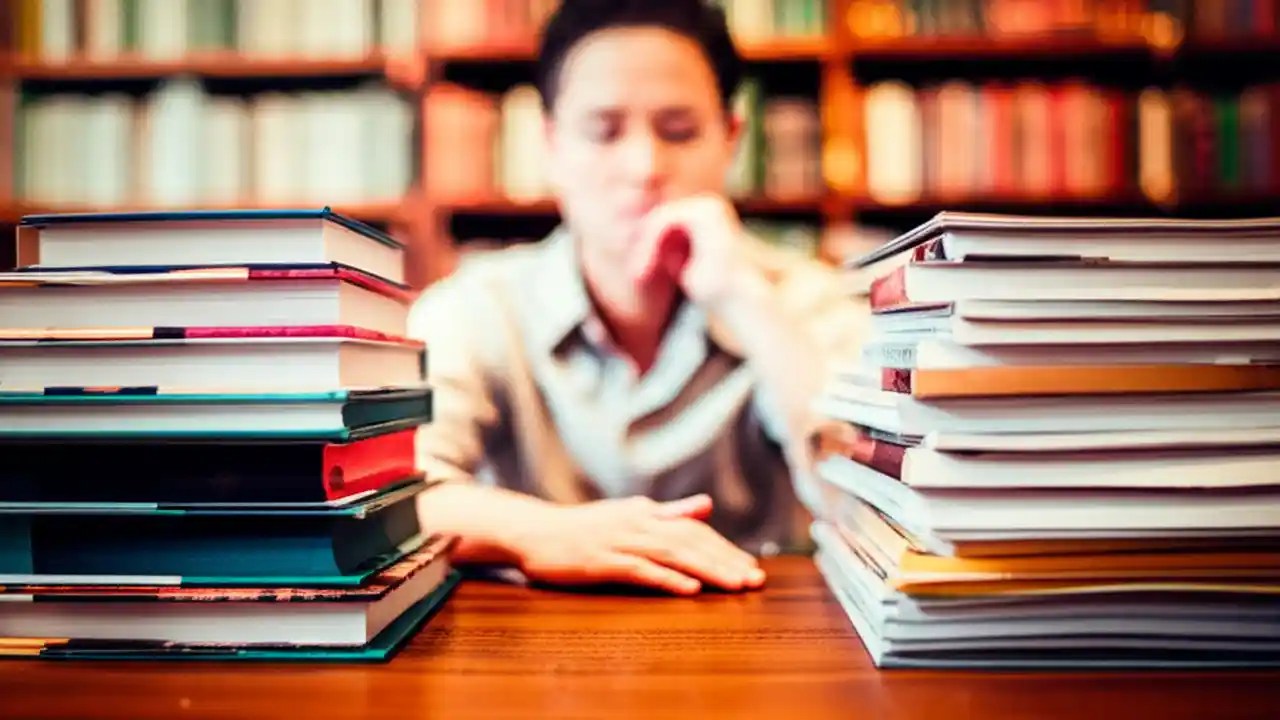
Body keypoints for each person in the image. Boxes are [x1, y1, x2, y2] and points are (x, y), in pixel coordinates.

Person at [409, 0, 865, 596]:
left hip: (754, 647)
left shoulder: (806, 302)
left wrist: (745, 303)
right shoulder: (473, 309)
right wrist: (542, 532)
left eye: (679, 132)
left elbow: (875, 507)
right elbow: (388, 500)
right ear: (551, 146)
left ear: (730, 141)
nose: (643, 166)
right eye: (603, 132)